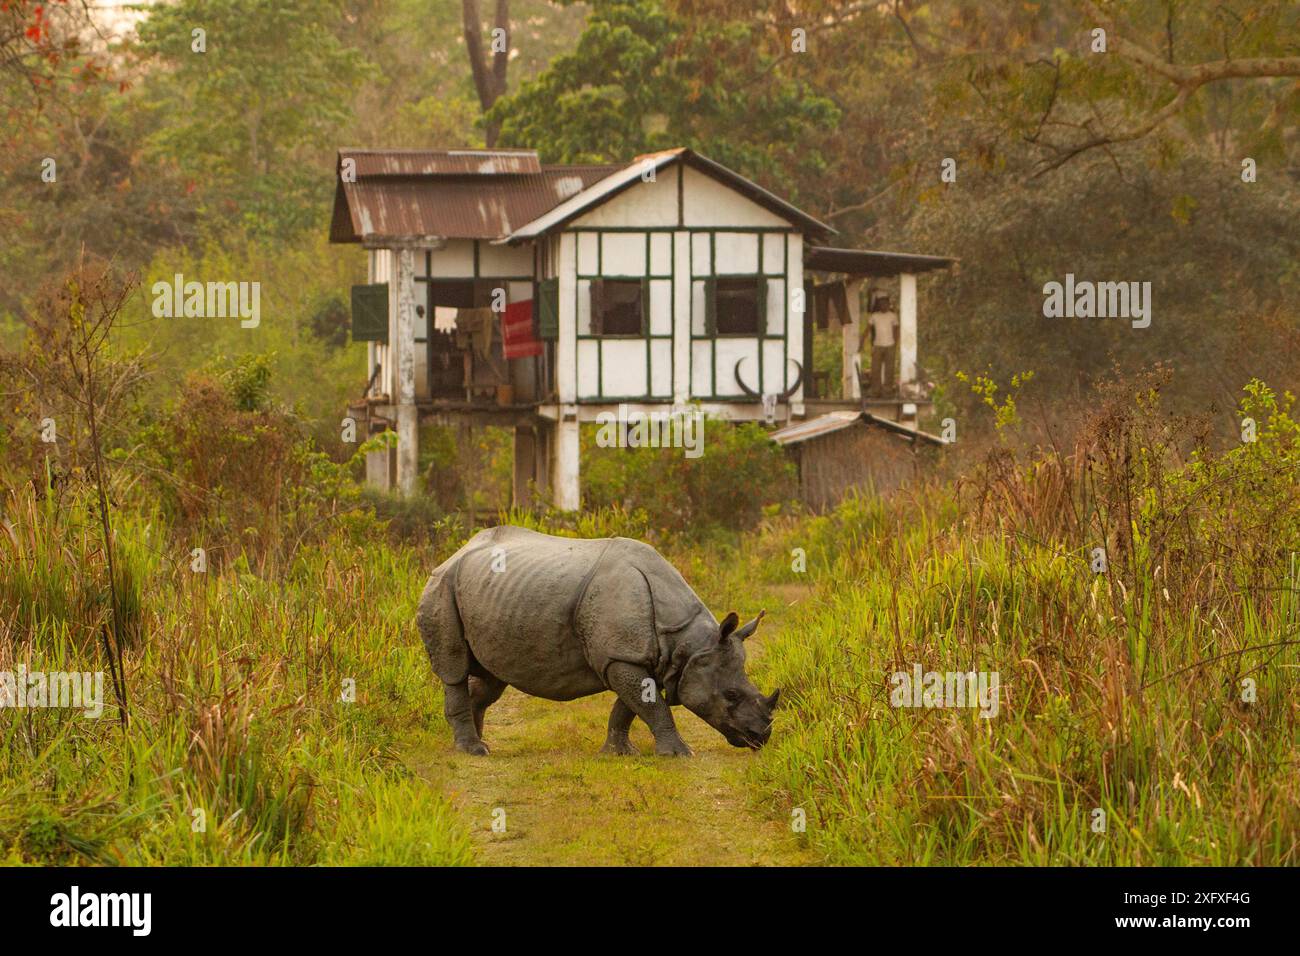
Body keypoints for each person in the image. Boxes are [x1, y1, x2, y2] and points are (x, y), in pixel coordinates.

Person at [866, 293, 898, 397]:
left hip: (890, 345)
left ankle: (887, 391)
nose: (883, 305)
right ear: (879, 305)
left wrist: (895, 343)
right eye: (881, 304)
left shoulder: (893, 316)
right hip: (877, 345)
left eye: (885, 303)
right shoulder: (874, 316)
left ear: (888, 304)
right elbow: (868, 329)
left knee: (889, 369)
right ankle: (876, 391)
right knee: (875, 369)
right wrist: (861, 342)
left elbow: (896, 330)